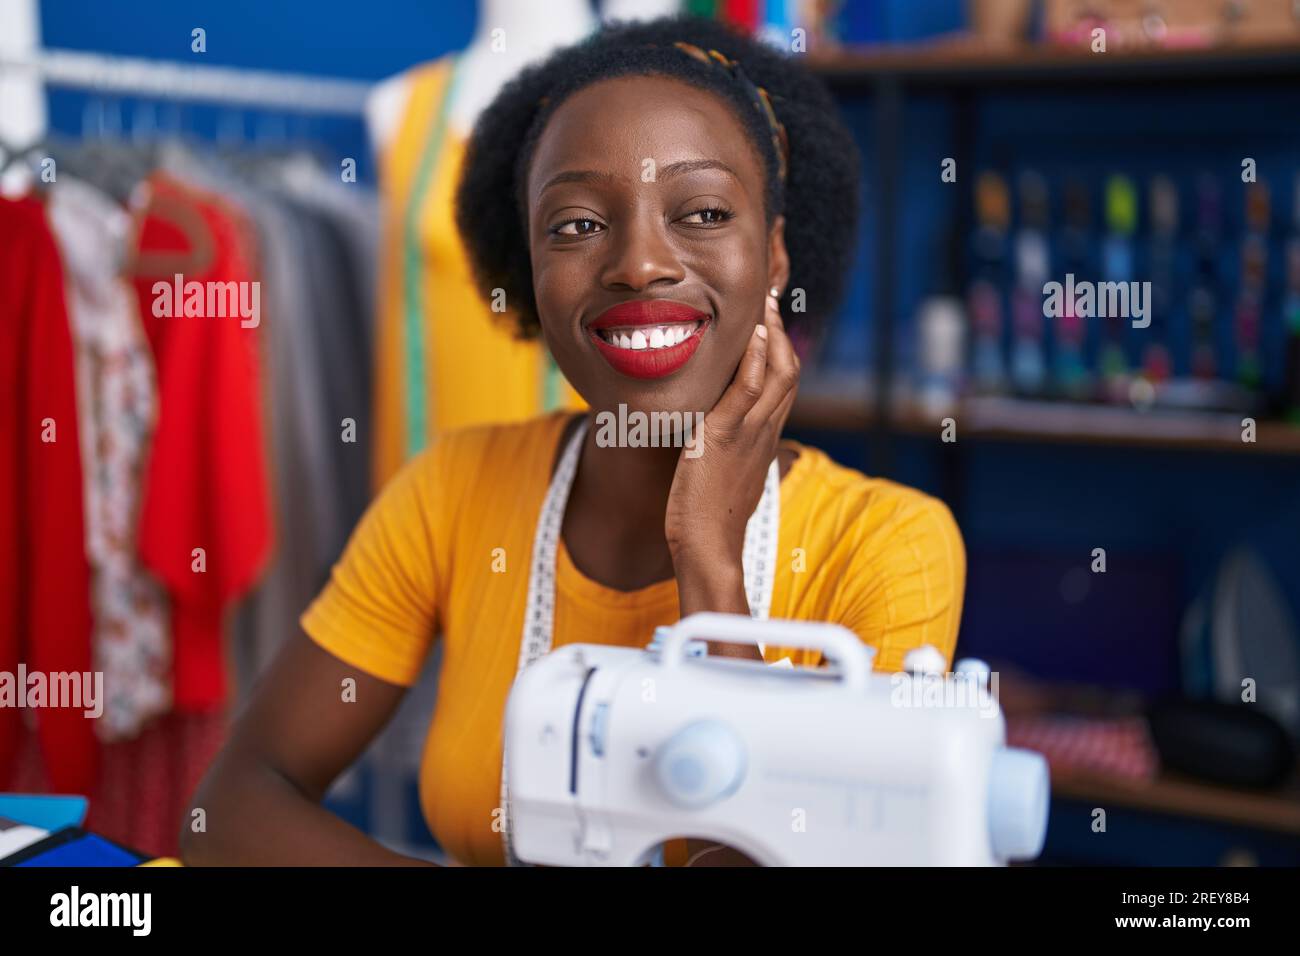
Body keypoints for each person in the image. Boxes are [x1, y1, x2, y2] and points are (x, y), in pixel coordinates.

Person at [182, 14, 966, 867]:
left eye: (701, 210)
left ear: (775, 257)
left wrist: (707, 551)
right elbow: (232, 804)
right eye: (577, 225)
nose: (638, 263)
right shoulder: (453, 489)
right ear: (529, 267)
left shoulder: (890, 549)